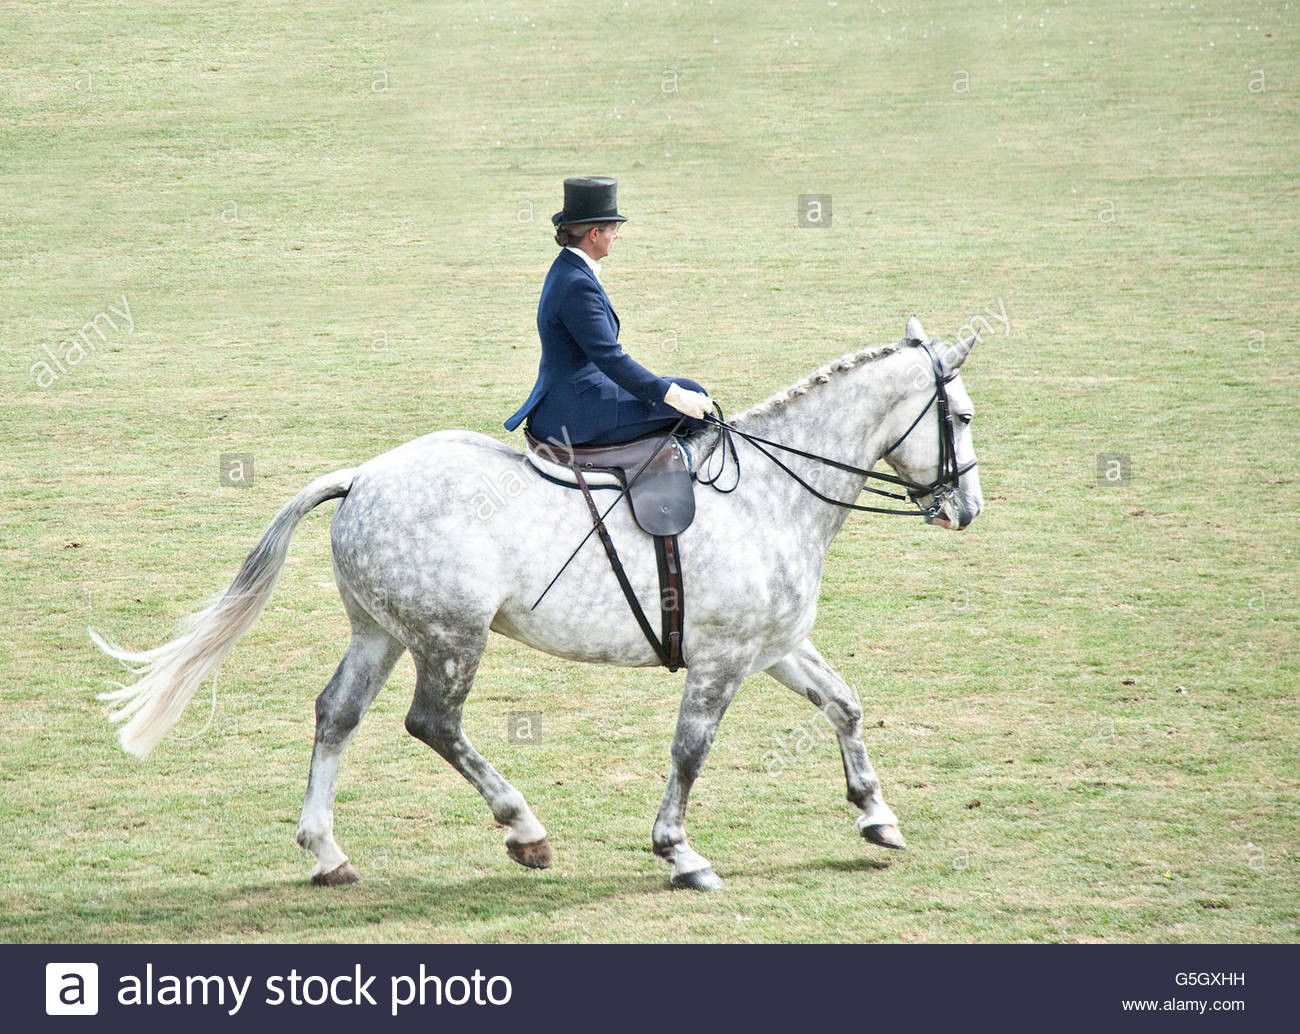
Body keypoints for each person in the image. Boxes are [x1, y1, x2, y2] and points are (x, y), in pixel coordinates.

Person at [504, 176, 714, 448]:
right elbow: (610, 358)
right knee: (692, 413)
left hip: (582, 393)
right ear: (594, 234)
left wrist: (674, 391)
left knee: (692, 389)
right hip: (574, 413)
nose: (617, 235)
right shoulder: (577, 285)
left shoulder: (568, 268)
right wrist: (672, 396)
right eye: (613, 229)